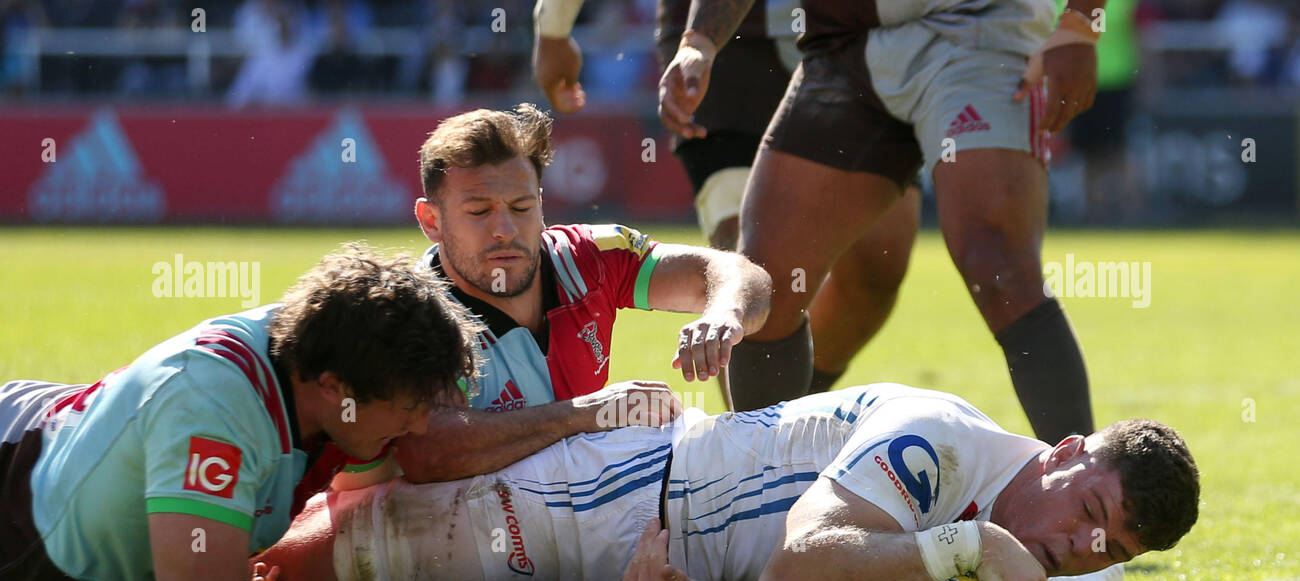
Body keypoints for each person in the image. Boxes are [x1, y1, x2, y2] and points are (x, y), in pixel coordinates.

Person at [251, 383, 1198, 581]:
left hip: (643, 577)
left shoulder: (994, 569)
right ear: (1067, 449)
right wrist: (963, 542)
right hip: (603, 497)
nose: (1081, 545)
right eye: (1091, 510)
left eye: (1107, 549)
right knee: (312, 573)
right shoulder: (939, 443)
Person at [0, 244, 534, 581]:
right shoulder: (215, 409)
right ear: (333, 388)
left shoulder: (335, 341)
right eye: (408, 407)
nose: (420, 427)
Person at [659, 0, 1105, 447]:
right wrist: (699, 41)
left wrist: (1080, 24)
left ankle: (1088, 490)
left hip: (978, 28)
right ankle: (757, 492)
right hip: (844, 43)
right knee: (767, 286)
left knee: (1000, 268)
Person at [532, 0, 922, 398]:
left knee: (876, 271)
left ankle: (792, 405)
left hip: (844, 32)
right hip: (725, 44)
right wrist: (553, 27)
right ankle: (764, 433)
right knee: (749, 266)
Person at [385, 103, 772, 484]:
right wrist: (587, 415)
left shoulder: (588, 256)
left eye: (521, 207)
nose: (505, 229)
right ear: (431, 221)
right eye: (479, 211)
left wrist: (725, 313)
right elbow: (429, 453)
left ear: (540, 204)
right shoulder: (411, 313)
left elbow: (740, 274)